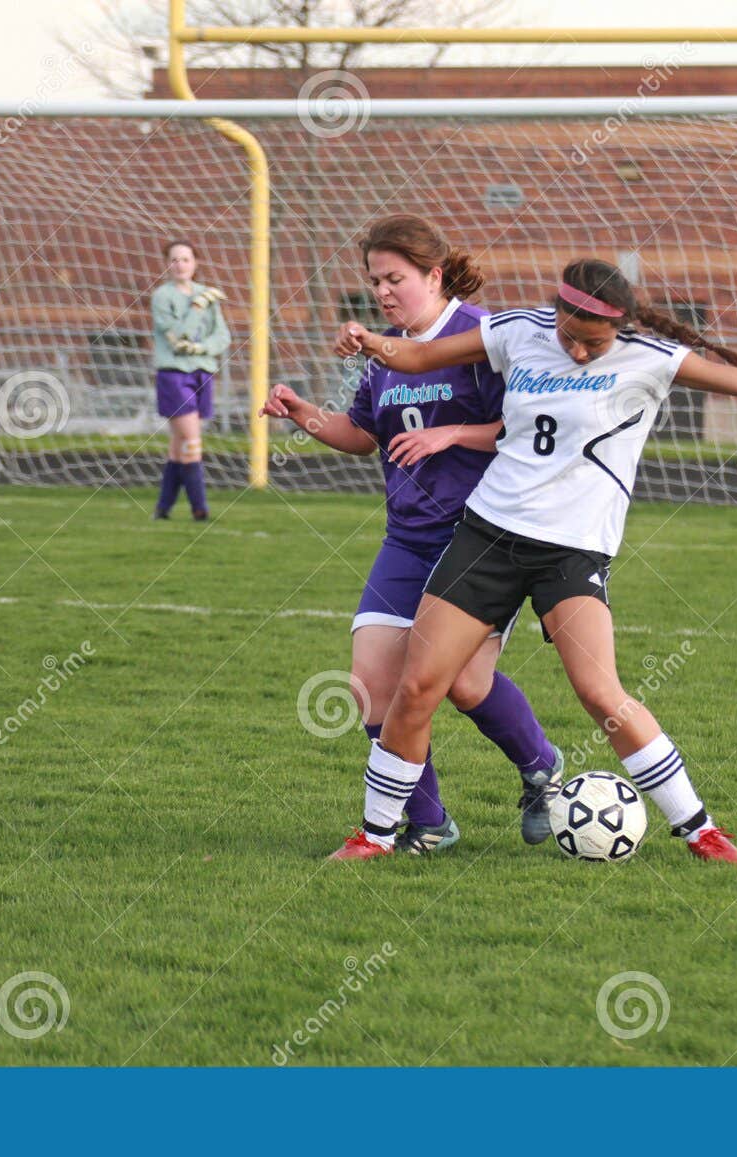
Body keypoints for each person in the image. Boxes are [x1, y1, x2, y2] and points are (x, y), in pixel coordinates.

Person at [326, 257, 737, 865]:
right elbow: (414, 358)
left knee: (601, 692)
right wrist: (369, 341)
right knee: (417, 686)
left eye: (593, 343)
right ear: (556, 313)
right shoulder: (519, 330)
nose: (576, 352)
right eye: (569, 336)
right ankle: (376, 836)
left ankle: (702, 832)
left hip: (571, 552)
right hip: (486, 535)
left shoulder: (650, 359)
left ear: (618, 329)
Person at [261, 214, 563, 855]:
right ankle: (429, 824)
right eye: (374, 281)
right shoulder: (384, 351)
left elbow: (535, 429)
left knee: (461, 685)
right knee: (369, 685)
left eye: (395, 278)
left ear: (433, 274)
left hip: (480, 536)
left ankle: (541, 767)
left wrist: (452, 433)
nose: (383, 292)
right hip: (407, 538)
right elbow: (361, 434)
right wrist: (302, 414)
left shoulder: (484, 337)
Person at [150, 240, 230, 520]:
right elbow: (179, 336)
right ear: (167, 265)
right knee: (192, 441)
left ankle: (163, 509)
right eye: (174, 260)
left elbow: (222, 337)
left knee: (178, 444)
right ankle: (200, 508)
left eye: (185, 259)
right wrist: (196, 307)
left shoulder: (207, 294)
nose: (180, 265)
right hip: (174, 375)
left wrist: (201, 348)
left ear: (195, 263)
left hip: (202, 372)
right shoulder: (162, 297)